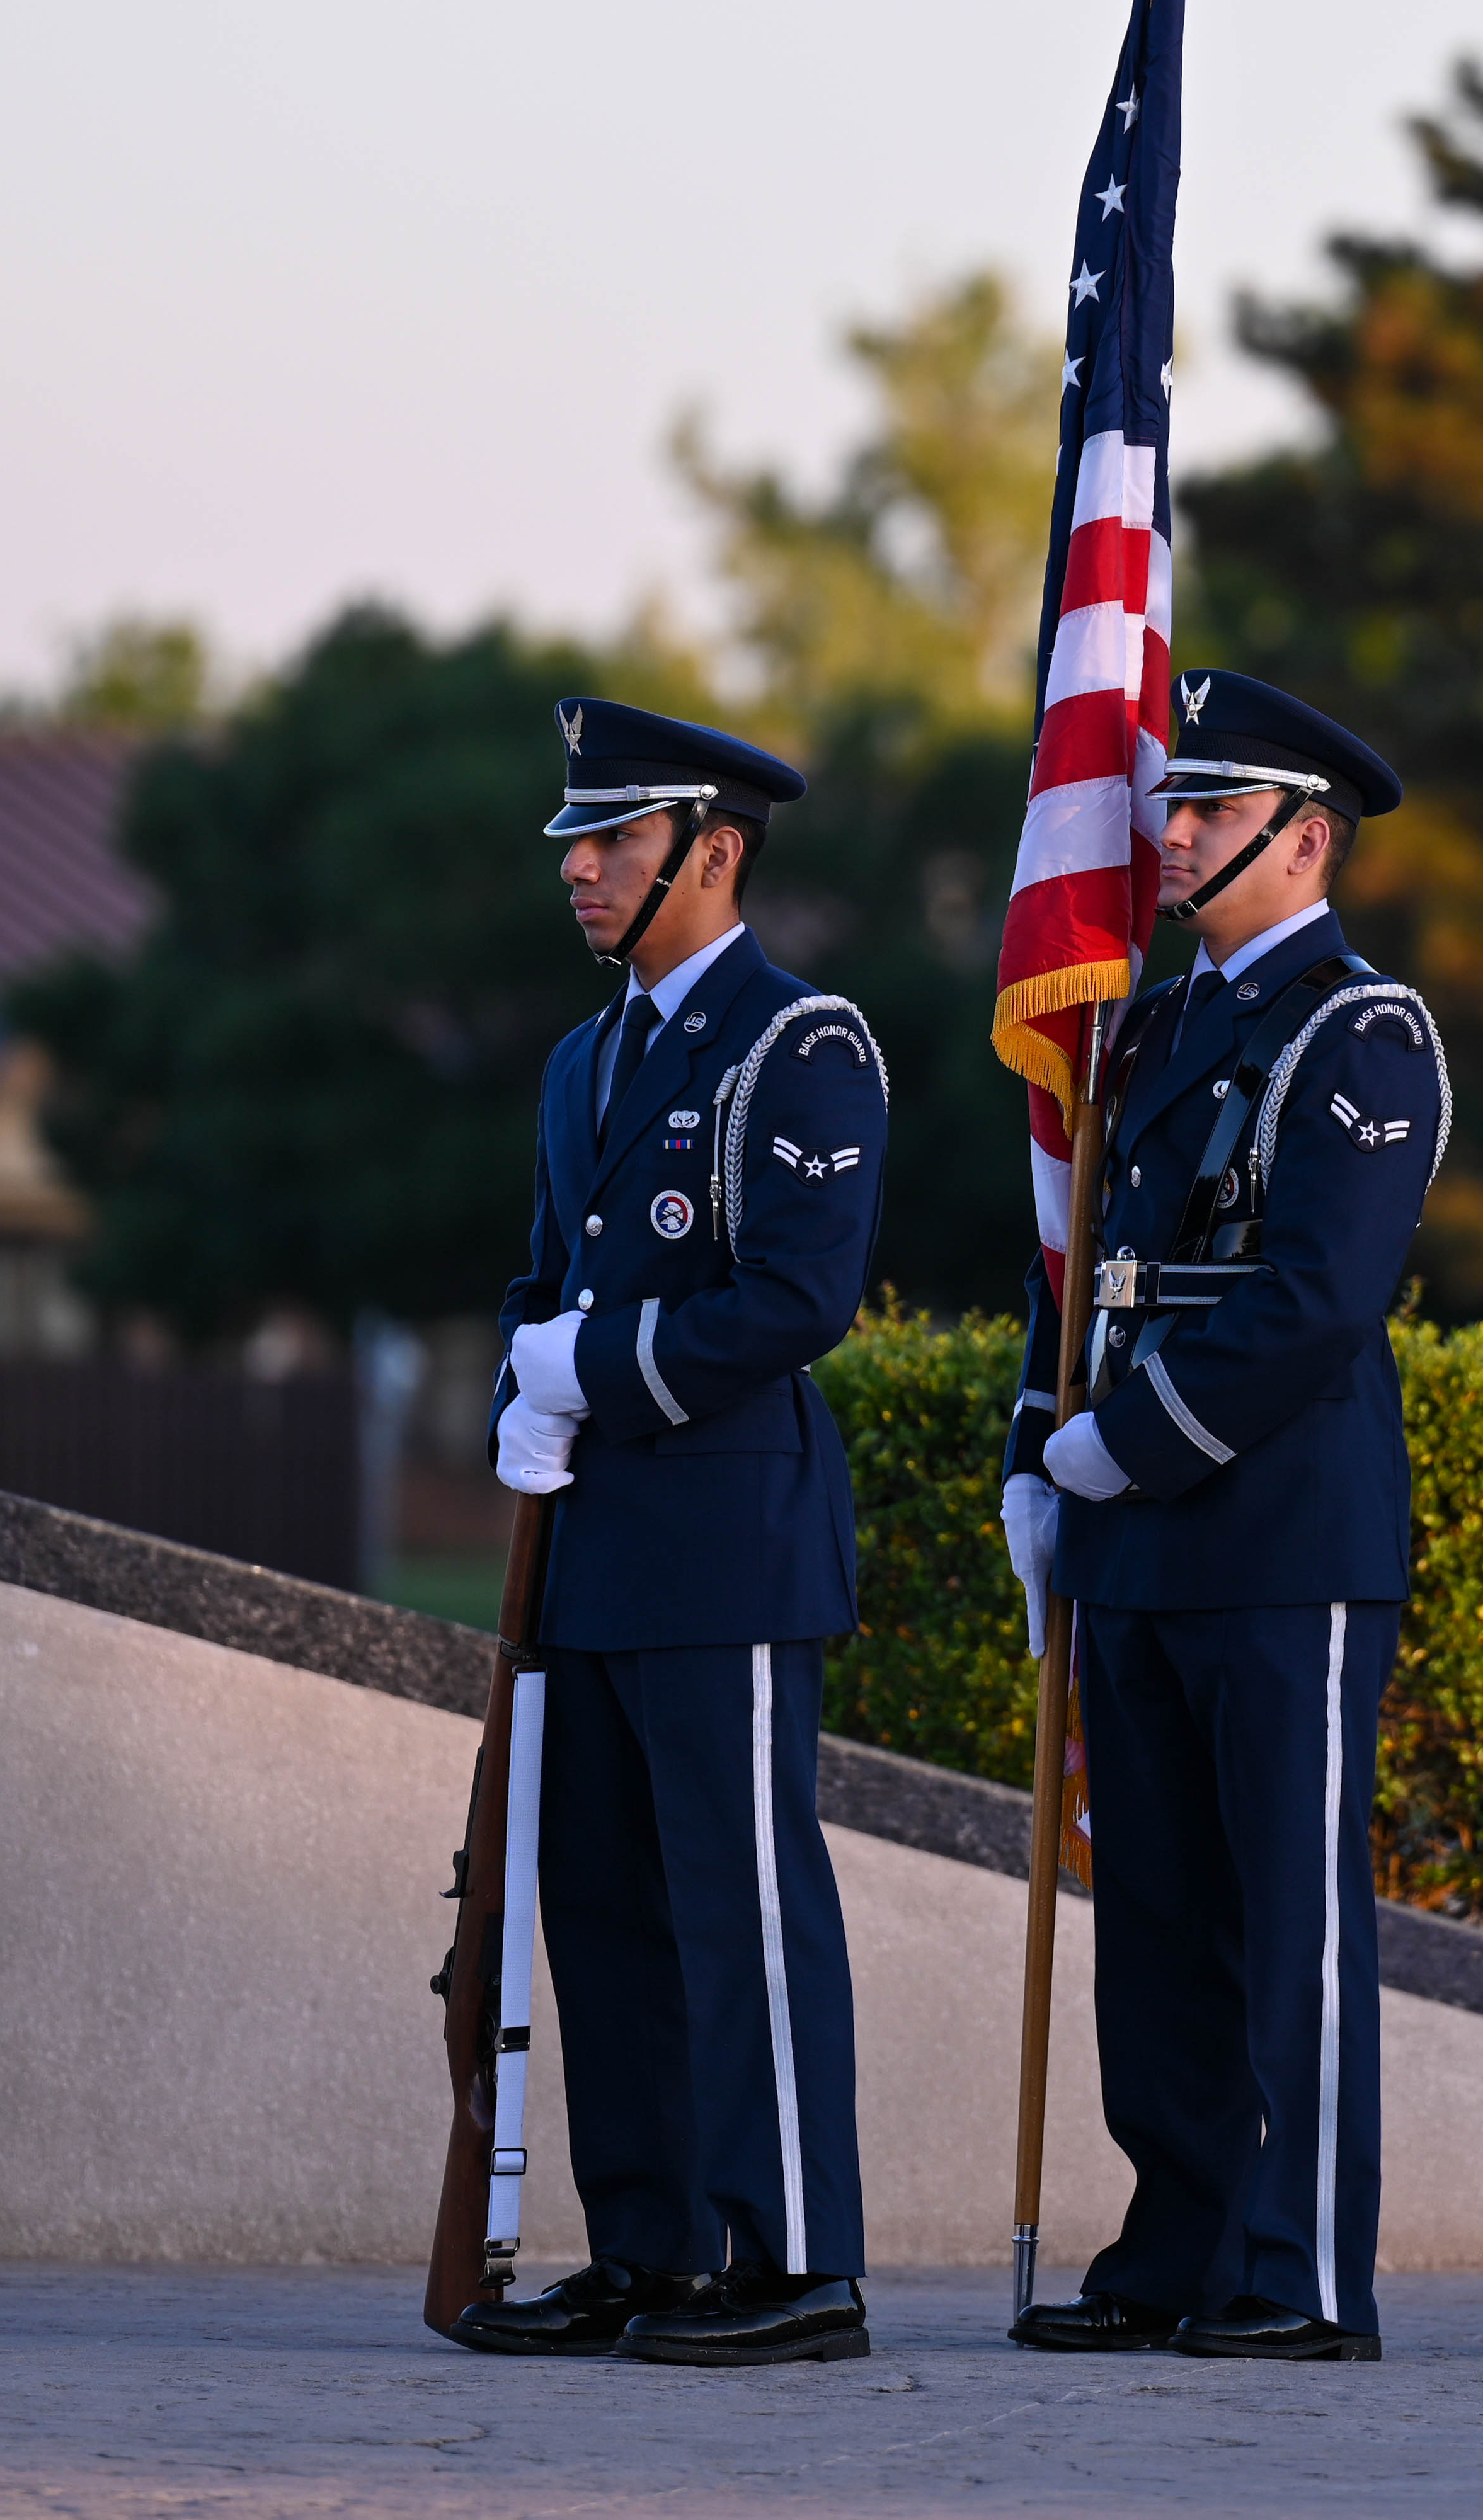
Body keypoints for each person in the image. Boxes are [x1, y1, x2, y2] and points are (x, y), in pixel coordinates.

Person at [995, 672, 1448, 2365]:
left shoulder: (1362, 1030)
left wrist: (1129, 1443)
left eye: (1210, 808)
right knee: (1160, 1912)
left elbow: (1315, 1299)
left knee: (1287, 1917)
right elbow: (1082, 1265)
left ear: (1306, 839)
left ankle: (1304, 2262)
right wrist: (1038, 1442)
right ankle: (1179, 2237)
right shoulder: (1149, 1028)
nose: (1170, 832)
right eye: (1173, 803)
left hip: (1277, 1536)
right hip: (1139, 1538)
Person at [450, 700, 890, 2369]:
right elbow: (543, 1276)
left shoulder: (800, 1043)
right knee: (607, 1910)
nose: (578, 867)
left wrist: (596, 1366)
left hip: (727, 1542)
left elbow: (796, 1297)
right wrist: (521, 1374)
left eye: (613, 838)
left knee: (743, 1907)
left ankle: (797, 2259)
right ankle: (650, 2247)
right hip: (599, 1549)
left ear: (711, 852)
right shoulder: (587, 1059)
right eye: (575, 839)